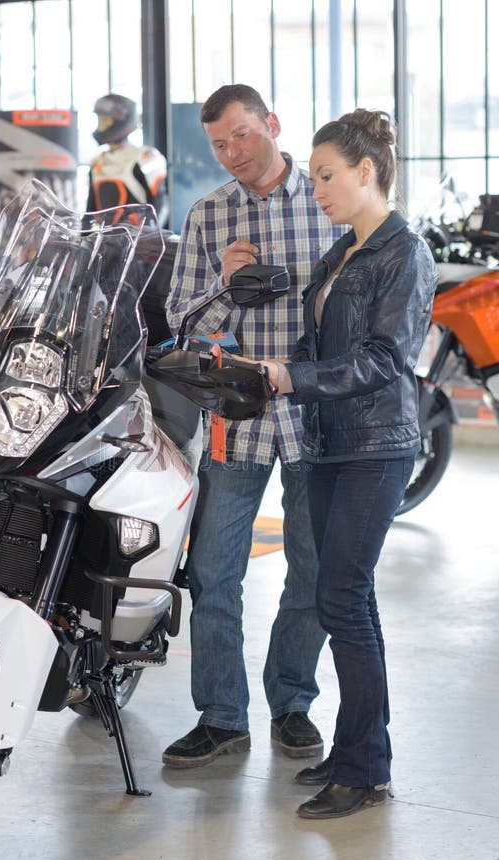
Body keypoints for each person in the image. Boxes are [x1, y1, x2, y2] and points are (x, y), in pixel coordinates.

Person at [246, 108, 437, 817]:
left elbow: (384, 360)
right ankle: (362, 751)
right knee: (349, 598)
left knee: (340, 598)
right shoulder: (341, 253)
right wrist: (262, 371)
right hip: (329, 444)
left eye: (326, 176)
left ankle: (361, 771)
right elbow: (318, 345)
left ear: (366, 170)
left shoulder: (404, 253)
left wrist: (292, 379)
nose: (316, 189)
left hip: (376, 447)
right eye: (313, 177)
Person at [162, 84, 343, 769]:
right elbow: (181, 323)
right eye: (219, 144)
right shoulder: (207, 216)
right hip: (233, 420)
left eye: (242, 135)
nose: (232, 153)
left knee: (313, 570)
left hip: (313, 418)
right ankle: (221, 717)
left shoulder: (326, 201)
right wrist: (223, 283)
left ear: (272, 123)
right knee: (212, 574)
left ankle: (291, 704)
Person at [86, 93, 169, 227]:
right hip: (106, 237)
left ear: (121, 120)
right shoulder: (98, 161)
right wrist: (83, 236)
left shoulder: (145, 156)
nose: (100, 124)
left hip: (138, 236)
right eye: (99, 118)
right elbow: (90, 210)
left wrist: (151, 234)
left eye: (105, 119)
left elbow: (160, 204)